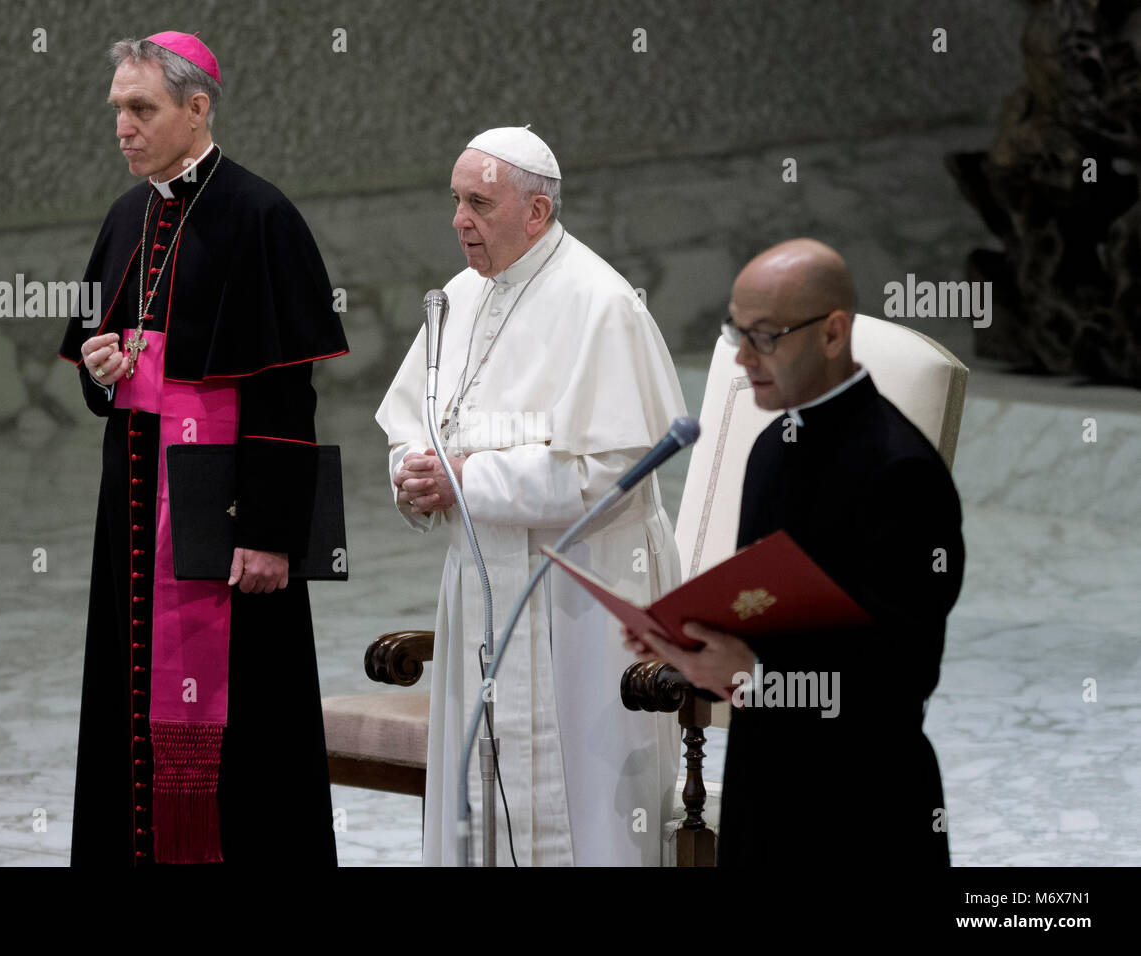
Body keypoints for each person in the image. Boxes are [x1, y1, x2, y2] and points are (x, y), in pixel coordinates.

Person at [57, 32, 348, 866]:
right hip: (136, 507)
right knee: (127, 694)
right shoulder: (125, 216)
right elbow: (95, 368)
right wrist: (106, 372)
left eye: (141, 109)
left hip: (227, 514)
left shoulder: (262, 215)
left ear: (196, 107)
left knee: (250, 712)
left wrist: (267, 532)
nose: (124, 126)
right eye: (117, 109)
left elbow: (287, 387)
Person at [375, 127, 686, 865]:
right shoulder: (454, 299)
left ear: (537, 212)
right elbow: (411, 425)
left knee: (589, 819)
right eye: (455, 200)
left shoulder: (601, 303)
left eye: (479, 202)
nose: (459, 219)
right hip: (480, 586)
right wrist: (411, 476)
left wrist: (467, 477)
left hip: (585, 595)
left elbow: (614, 473)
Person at [627, 238, 964, 866]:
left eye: (766, 335)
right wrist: (694, 641)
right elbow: (771, 614)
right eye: (737, 332)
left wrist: (752, 679)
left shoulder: (900, 472)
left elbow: (900, 680)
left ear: (833, 333)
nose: (745, 356)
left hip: (862, 810)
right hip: (765, 790)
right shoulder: (772, 448)